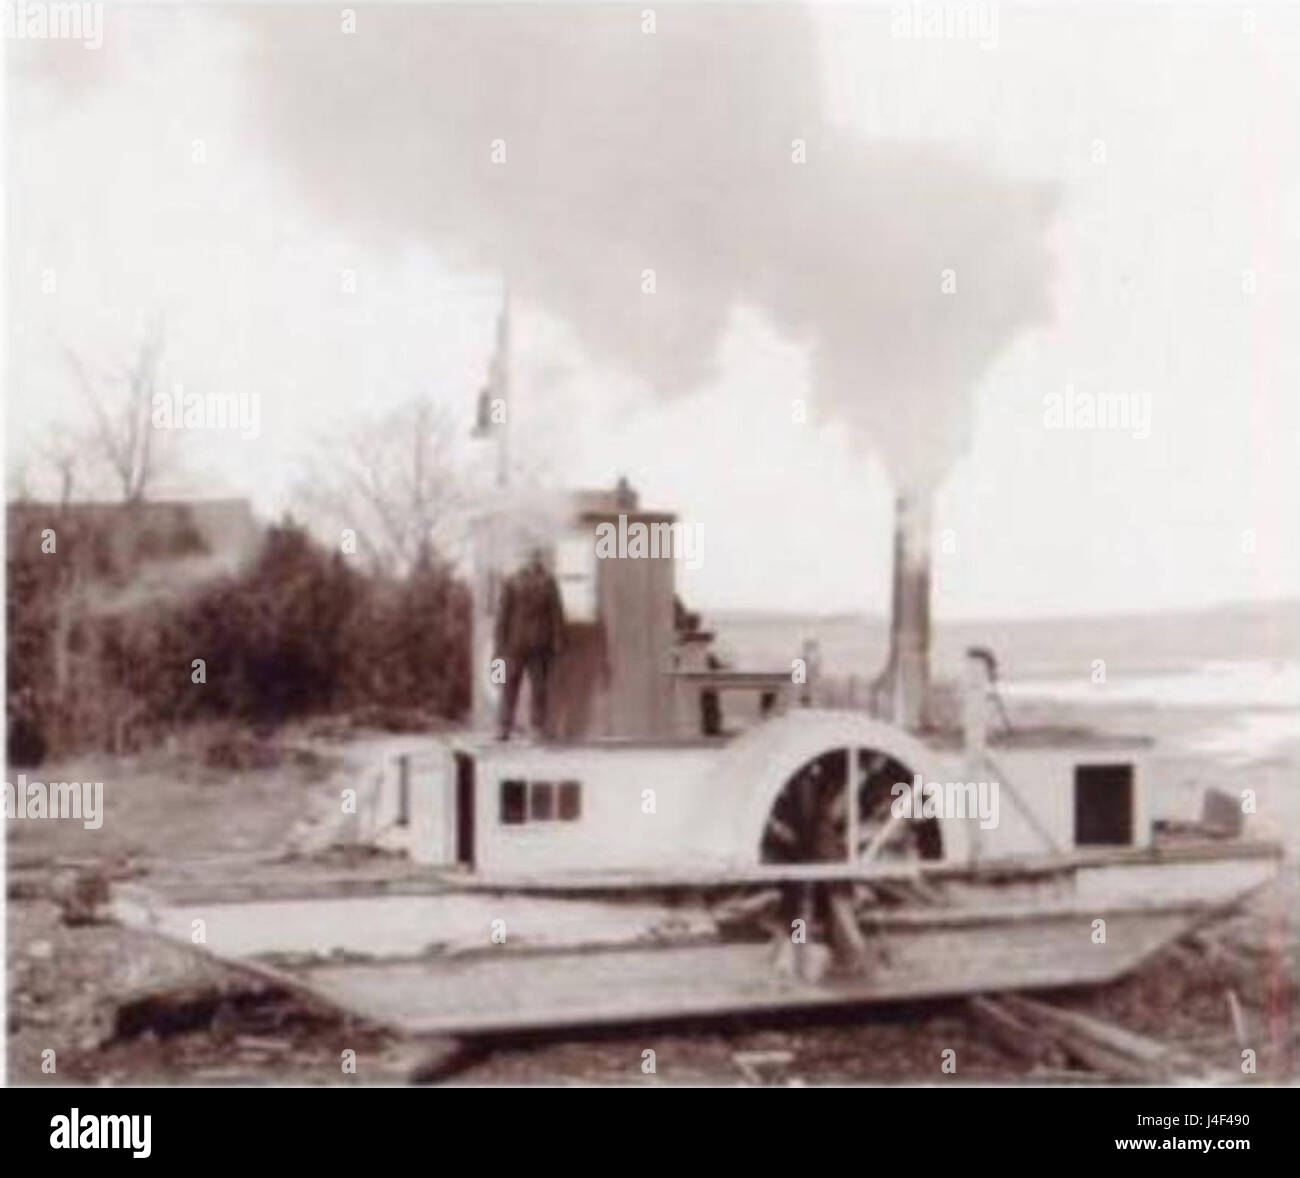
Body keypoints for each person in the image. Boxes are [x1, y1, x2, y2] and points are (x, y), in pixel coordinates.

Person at [495, 547, 565, 739]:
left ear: (539, 558)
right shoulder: (511, 581)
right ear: (522, 559)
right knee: (509, 686)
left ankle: (537, 728)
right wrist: (499, 646)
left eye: (535, 555)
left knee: (539, 689)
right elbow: (503, 615)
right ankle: (504, 727)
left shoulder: (549, 582)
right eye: (528, 556)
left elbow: (556, 614)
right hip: (514, 645)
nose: (532, 559)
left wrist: (558, 641)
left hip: (540, 645)